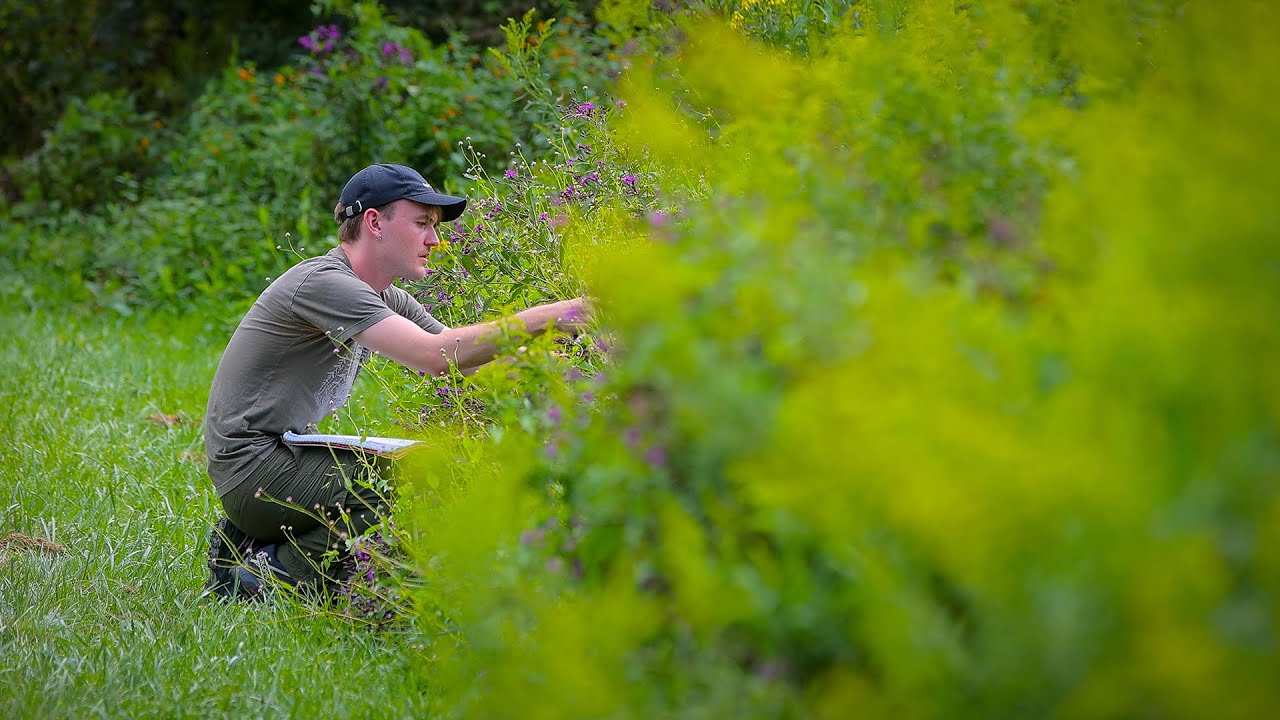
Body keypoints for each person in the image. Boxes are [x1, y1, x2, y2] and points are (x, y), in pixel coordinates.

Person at [202, 163, 590, 600]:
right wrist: (558, 314)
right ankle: (267, 573)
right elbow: (436, 357)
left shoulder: (384, 296)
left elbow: (463, 362)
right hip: (251, 468)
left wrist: (555, 365)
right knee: (410, 480)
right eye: (422, 223)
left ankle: (259, 544)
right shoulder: (324, 283)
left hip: (282, 462)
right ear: (374, 222)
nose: (435, 240)